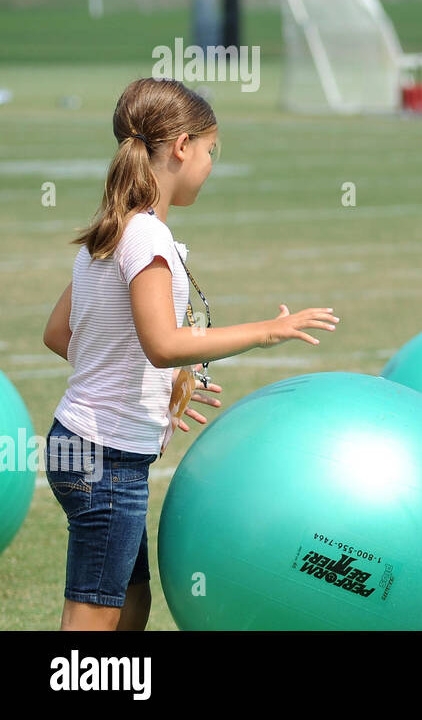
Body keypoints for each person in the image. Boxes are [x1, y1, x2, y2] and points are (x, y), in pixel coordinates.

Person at [40, 77, 340, 631]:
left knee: (132, 603)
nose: (209, 165)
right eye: (210, 151)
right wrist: (266, 331)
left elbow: (60, 333)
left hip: (80, 443)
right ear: (181, 146)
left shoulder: (115, 229)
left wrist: (161, 386)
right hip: (105, 456)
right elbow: (162, 344)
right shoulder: (147, 238)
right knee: (93, 616)